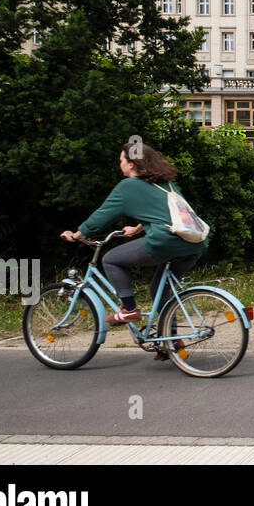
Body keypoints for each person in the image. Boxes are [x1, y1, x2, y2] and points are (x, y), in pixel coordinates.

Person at [60, 143, 207, 358]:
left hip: (164, 242)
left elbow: (102, 215)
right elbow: (173, 212)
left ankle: (128, 309)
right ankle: (171, 341)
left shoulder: (128, 186)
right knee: (160, 289)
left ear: (130, 164)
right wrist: (138, 227)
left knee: (111, 259)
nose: (119, 165)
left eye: (120, 161)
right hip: (194, 244)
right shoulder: (165, 183)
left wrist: (77, 234)